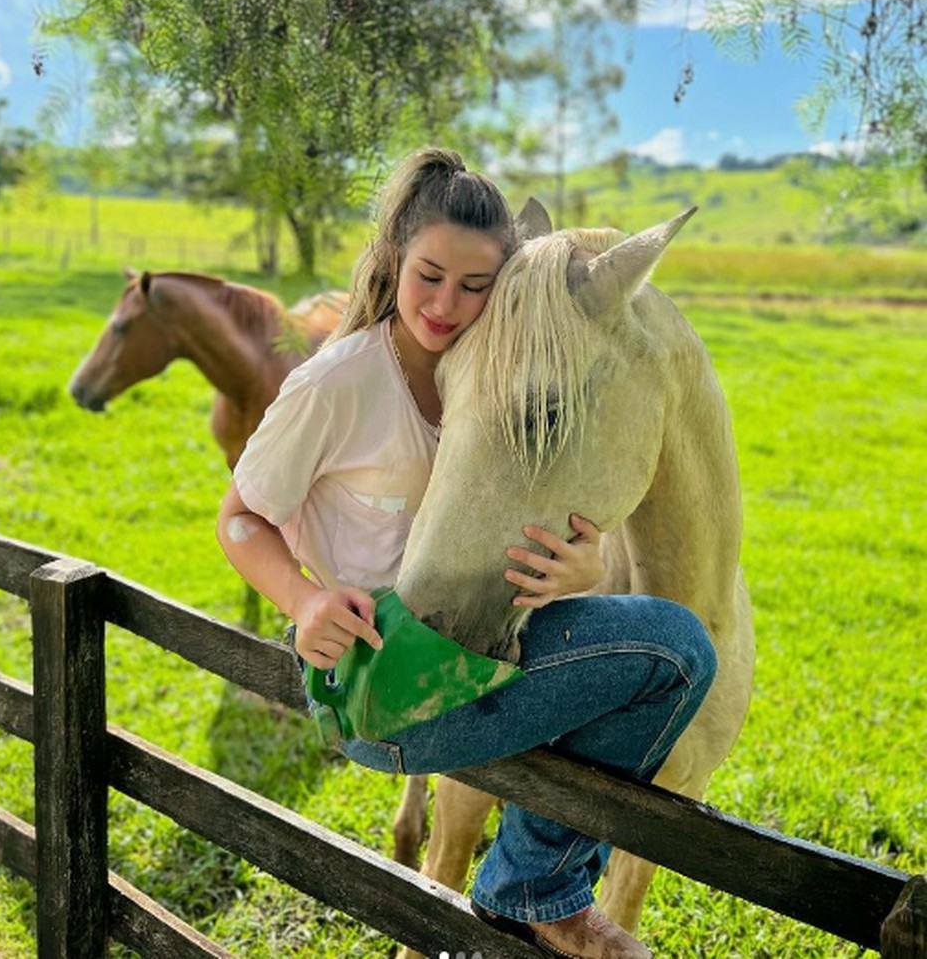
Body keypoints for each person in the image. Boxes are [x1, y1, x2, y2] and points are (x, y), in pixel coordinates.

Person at [217, 147, 717, 959]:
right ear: (394, 257)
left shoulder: (486, 366)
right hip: (384, 675)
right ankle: (536, 881)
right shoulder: (337, 383)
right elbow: (239, 517)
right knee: (678, 652)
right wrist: (303, 600)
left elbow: (520, 501)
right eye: (429, 275)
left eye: (475, 284)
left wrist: (584, 568)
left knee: (652, 638)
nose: (447, 304)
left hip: (469, 652)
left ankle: (531, 877)